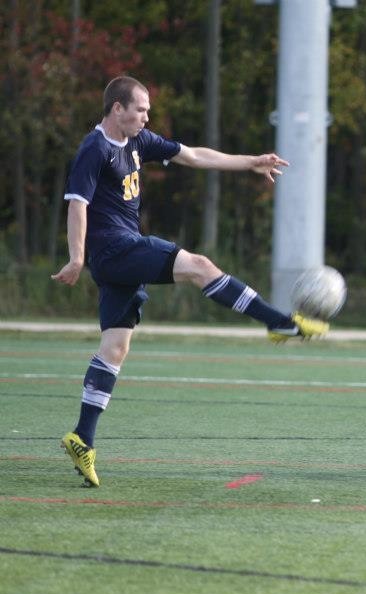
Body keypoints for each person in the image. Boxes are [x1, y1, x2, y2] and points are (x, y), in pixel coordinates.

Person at [51, 76, 328, 488]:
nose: (147, 116)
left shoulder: (139, 142)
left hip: (116, 260)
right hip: (115, 251)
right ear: (117, 109)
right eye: (141, 109)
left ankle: (82, 438)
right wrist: (77, 256)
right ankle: (277, 321)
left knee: (115, 347)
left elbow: (194, 155)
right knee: (199, 265)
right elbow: (78, 205)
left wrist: (250, 161)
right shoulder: (95, 149)